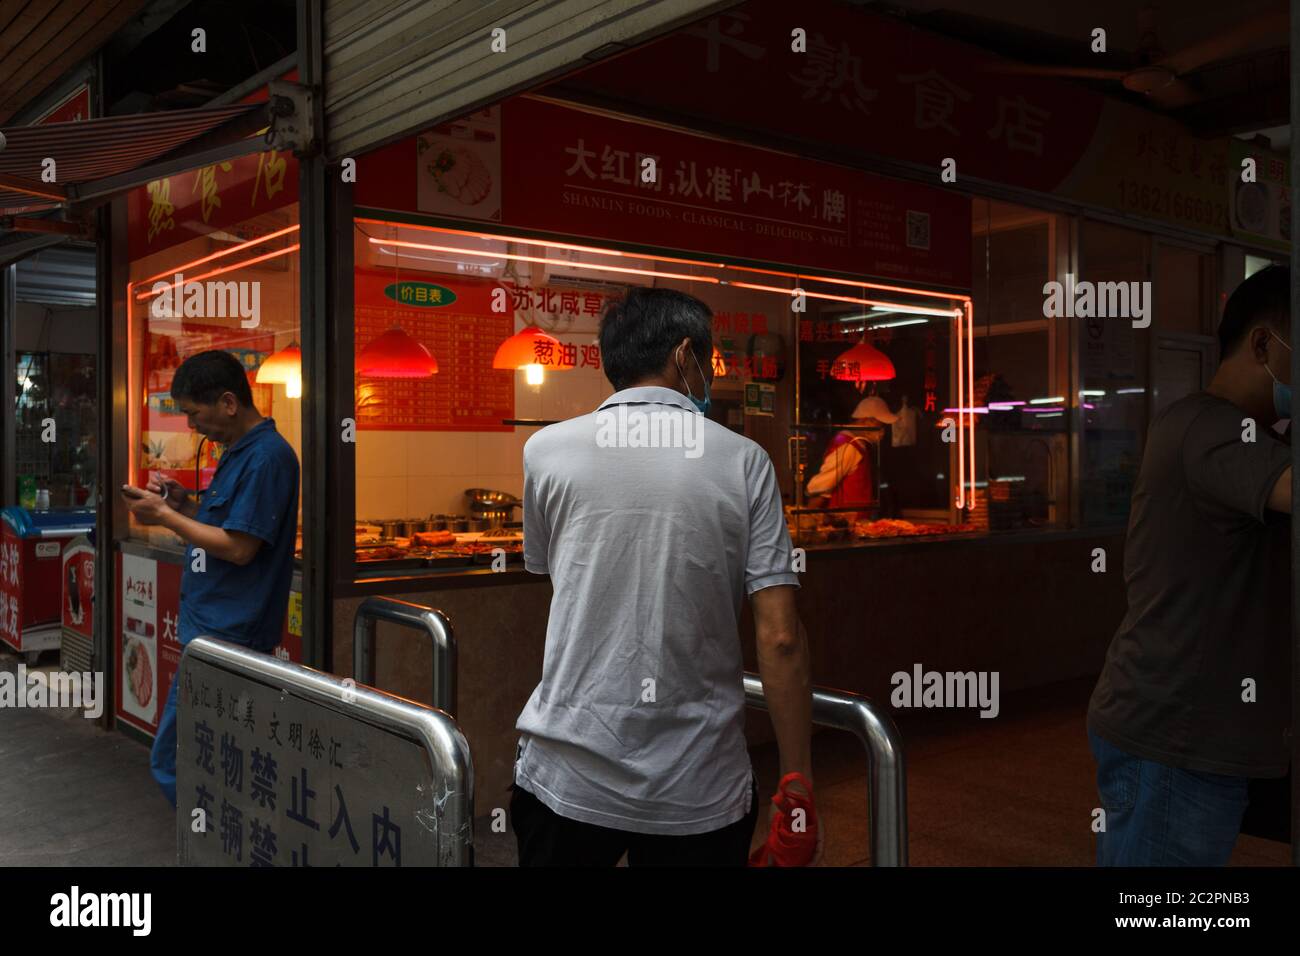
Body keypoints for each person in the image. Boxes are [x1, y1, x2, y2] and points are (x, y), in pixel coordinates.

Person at [511, 287, 817, 866]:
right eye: (709, 357)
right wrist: (796, 782)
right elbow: (780, 636)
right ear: (684, 356)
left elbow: (555, 573)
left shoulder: (545, 450)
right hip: (699, 785)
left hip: (566, 774)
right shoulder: (744, 460)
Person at [1087, 264, 1293, 866]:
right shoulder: (1211, 428)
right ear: (1262, 343)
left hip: (1189, 728)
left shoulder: (1248, 431)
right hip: (1174, 735)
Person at [120, 349, 300, 808]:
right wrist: (183, 506)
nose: (191, 426)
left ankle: (216, 839)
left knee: (175, 757)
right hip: (210, 626)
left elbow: (240, 549)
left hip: (232, 631)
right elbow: (226, 528)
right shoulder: (238, 453)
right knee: (215, 751)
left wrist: (163, 516)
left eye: (193, 413)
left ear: (228, 402)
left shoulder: (267, 458)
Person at [805, 395, 897, 512]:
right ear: (867, 421)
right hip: (843, 523)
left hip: (858, 523)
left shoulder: (860, 444)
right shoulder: (849, 446)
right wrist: (806, 517)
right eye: (880, 425)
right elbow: (822, 486)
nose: (882, 430)